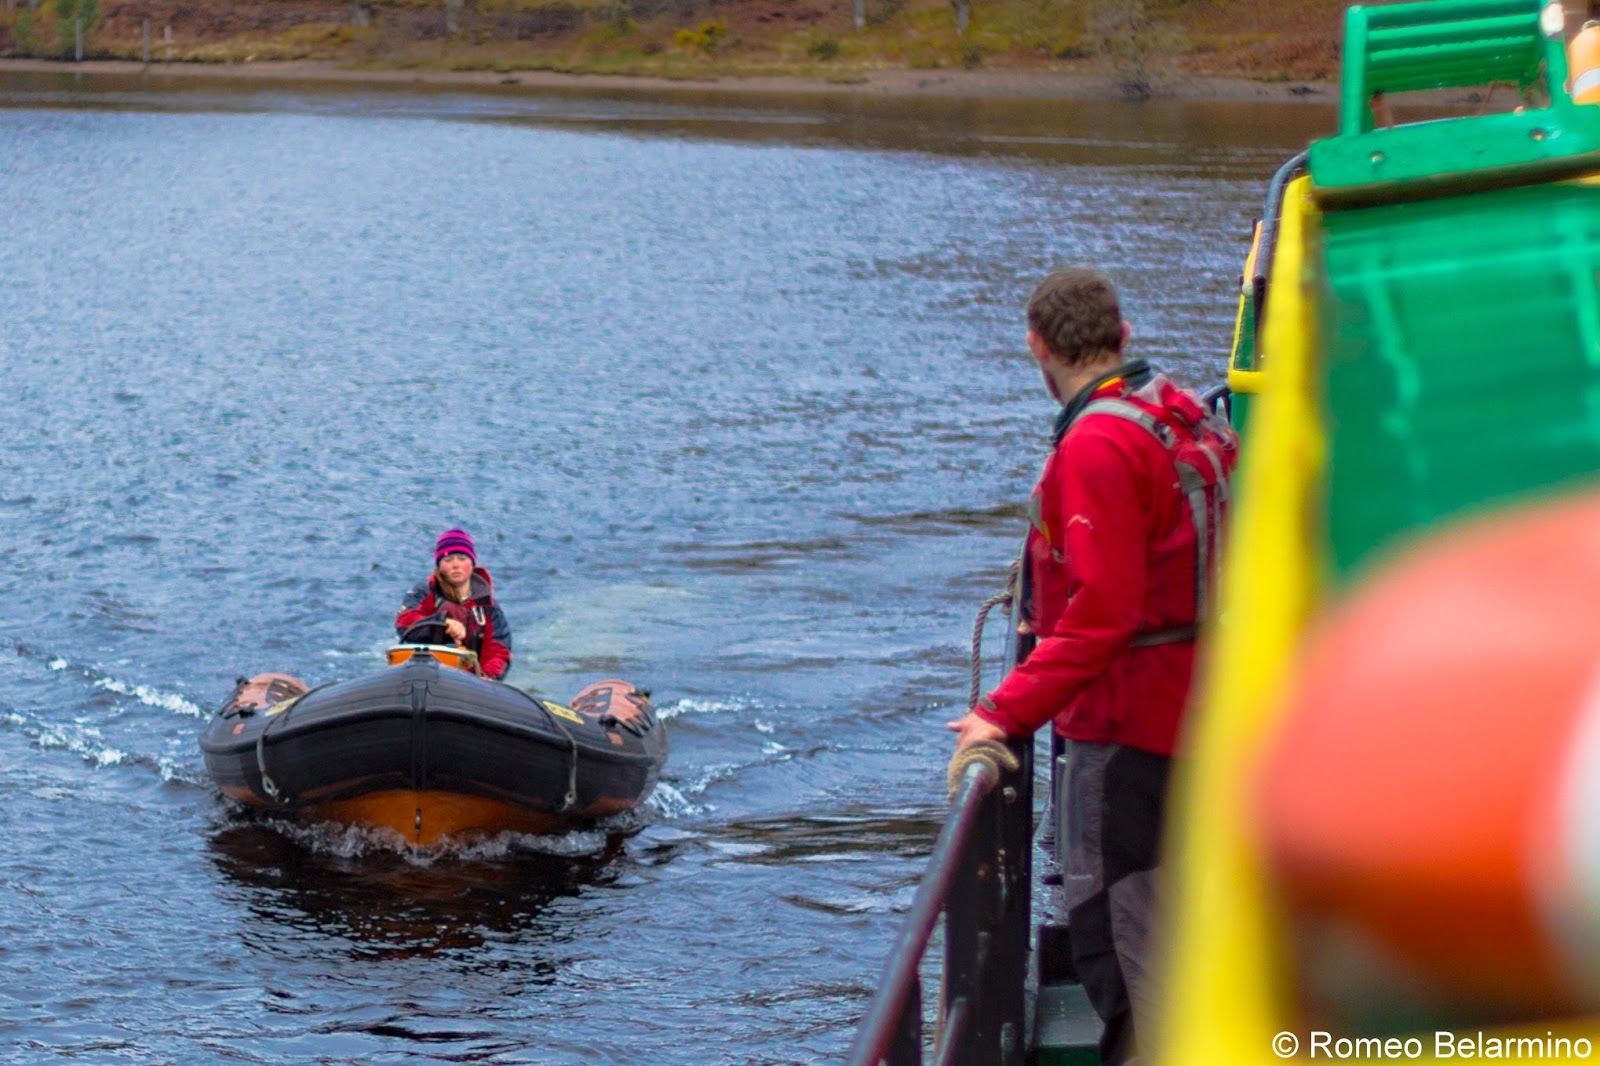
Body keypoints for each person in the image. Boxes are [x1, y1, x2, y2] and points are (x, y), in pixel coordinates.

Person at [947, 268, 1237, 1065]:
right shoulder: (1174, 415)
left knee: (1116, 927)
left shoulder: (1100, 444)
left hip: (1126, 724)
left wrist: (1001, 714)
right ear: (1124, 334)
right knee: (1171, 913)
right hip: (1196, 710)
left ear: (1036, 346)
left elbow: (1103, 614)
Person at [394, 527, 513, 680]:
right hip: (422, 672)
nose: (455, 565)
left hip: (468, 682)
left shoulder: (488, 608)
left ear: (472, 563)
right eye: (448, 560)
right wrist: (443, 624)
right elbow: (405, 621)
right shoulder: (424, 593)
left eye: (462, 559)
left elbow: (498, 651)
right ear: (439, 565)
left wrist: (486, 677)